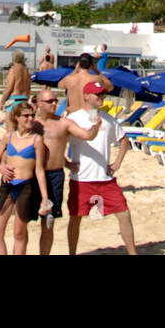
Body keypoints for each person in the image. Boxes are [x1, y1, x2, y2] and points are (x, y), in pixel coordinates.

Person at [66, 82, 136, 255]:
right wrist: (66, 163)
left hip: (105, 180)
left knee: (124, 213)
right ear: (86, 96)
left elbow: (124, 140)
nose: (101, 97)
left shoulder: (109, 119)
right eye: (98, 94)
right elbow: (55, 143)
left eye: (103, 94)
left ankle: (132, 252)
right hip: (81, 180)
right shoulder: (73, 119)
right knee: (75, 218)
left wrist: (117, 162)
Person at [33, 88, 103, 255]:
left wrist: (96, 126)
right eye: (50, 101)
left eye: (55, 100)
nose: (54, 103)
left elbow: (87, 136)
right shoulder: (32, 123)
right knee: (21, 223)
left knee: (48, 223)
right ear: (39, 104)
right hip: (31, 175)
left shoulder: (63, 123)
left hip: (54, 176)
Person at [0, 102, 52, 255]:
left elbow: (39, 170)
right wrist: (1, 169)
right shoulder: (8, 137)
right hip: (7, 185)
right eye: (26, 116)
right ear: (17, 118)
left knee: (19, 233)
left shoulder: (36, 140)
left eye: (32, 115)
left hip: (26, 186)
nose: (30, 119)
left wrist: (45, 198)